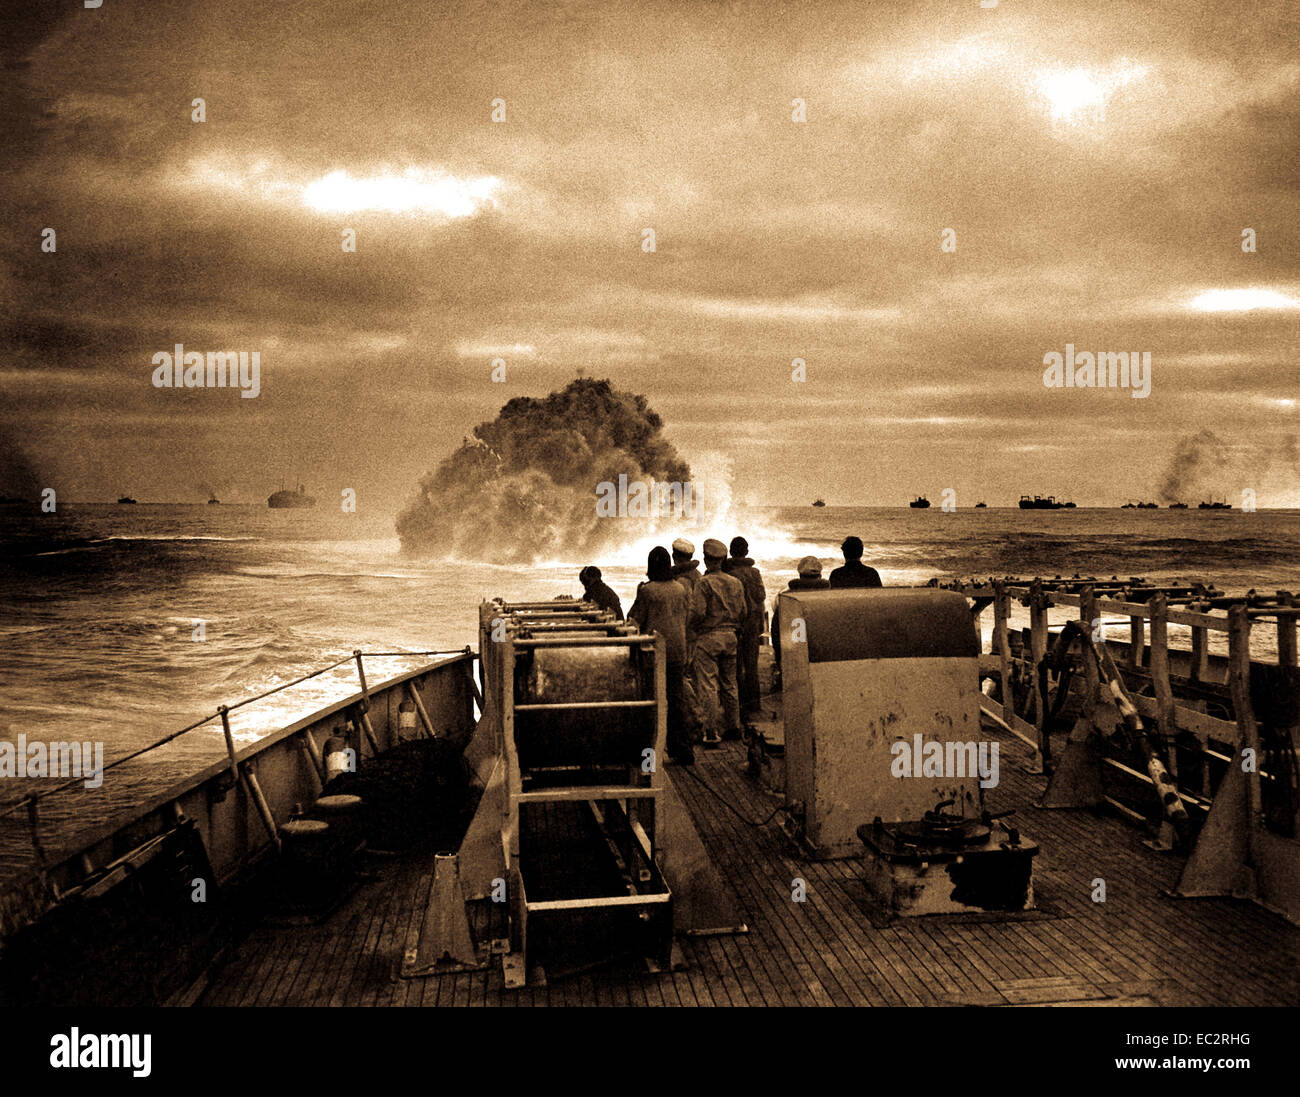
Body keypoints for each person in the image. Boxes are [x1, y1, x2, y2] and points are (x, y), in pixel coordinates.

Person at [628, 546, 696, 764]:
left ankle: (649, 754)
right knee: (676, 700)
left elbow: (634, 620)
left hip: (654, 653)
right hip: (678, 650)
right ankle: (683, 750)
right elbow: (687, 617)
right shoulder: (681, 588)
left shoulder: (648, 591)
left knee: (651, 702)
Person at [690, 539, 748, 746]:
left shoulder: (704, 583)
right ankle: (733, 727)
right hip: (730, 636)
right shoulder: (736, 583)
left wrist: (692, 628)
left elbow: (697, 612)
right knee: (730, 683)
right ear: (723, 559)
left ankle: (711, 730)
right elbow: (744, 612)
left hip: (709, 637)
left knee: (708, 684)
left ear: (706, 559)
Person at [771, 556, 832, 684]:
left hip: (795, 649)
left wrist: (780, 658)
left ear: (799, 574)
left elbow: (776, 631)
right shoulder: (830, 596)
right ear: (820, 575)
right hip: (823, 651)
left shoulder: (786, 596)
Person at [723, 536, 766, 717]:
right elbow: (761, 595)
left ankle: (739, 705)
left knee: (736, 665)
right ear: (746, 552)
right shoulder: (754, 573)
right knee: (751, 665)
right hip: (752, 623)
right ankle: (754, 704)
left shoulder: (728, 574)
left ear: (731, 553)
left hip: (735, 624)